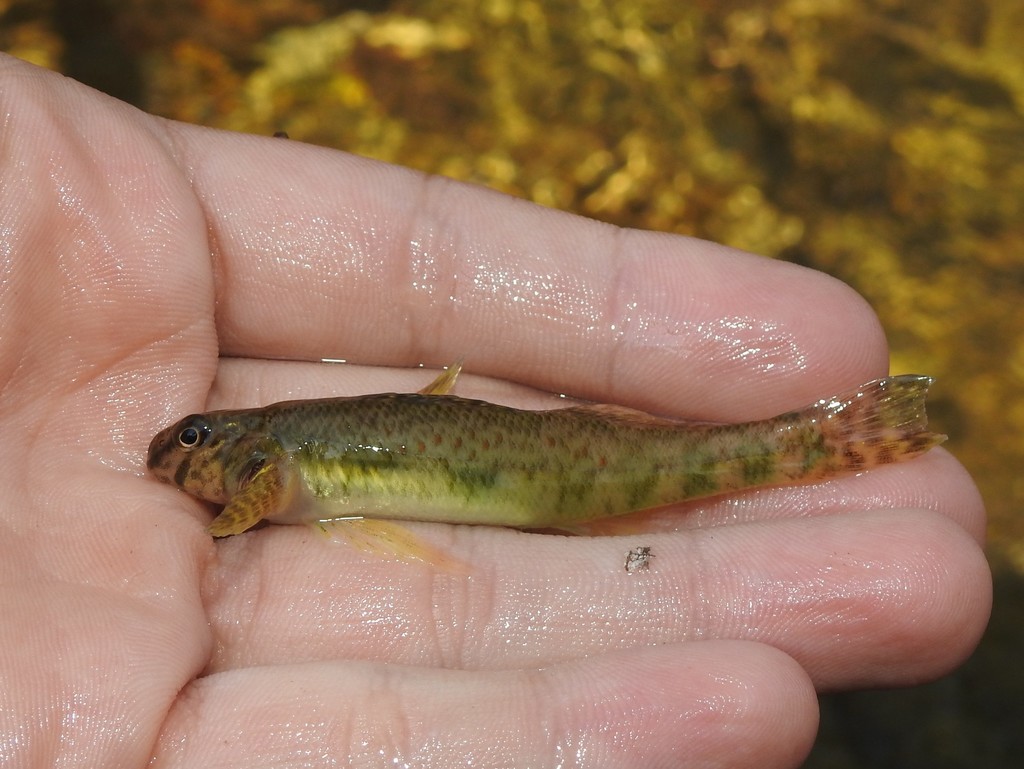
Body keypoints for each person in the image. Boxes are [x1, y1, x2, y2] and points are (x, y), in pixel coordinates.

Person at [0, 54, 989, 768]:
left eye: (201, 443)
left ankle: (815, 443)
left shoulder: (269, 460)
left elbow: (252, 498)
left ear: (245, 453)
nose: (194, 453)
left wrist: (227, 513)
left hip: (549, 470)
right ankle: (818, 443)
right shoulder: (276, 455)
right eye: (194, 446)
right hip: (541, 466)